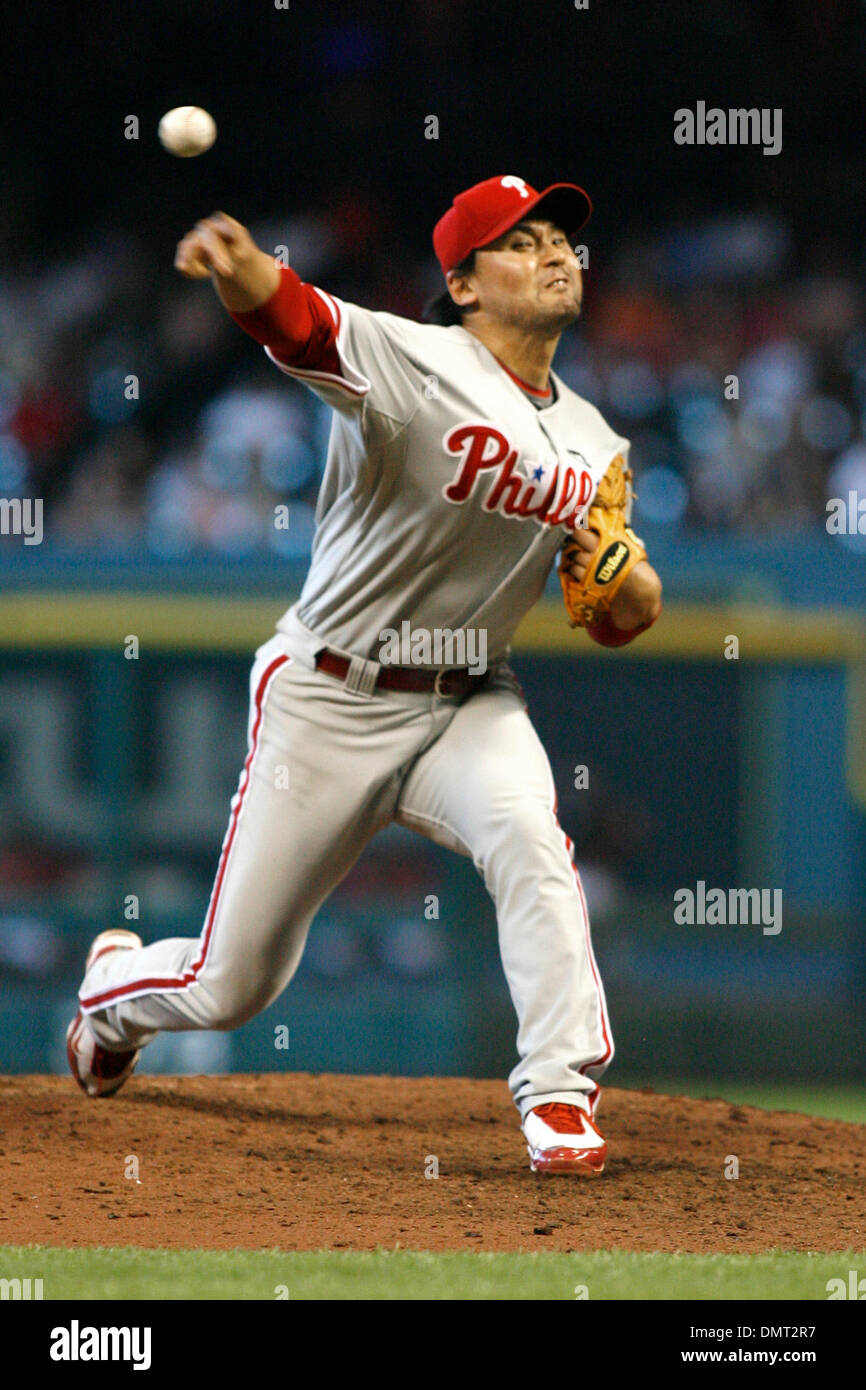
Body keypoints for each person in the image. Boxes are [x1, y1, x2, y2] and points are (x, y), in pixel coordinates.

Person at [67, 175, 662, 1176]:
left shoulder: (596, 441)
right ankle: (114, 990)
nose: (556, 254)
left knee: (532, 845)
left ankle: (558, 1095)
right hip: (330, 697)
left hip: (468, 700)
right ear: (464, 285)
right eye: (522, 244)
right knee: (231, 985)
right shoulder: (412, 357)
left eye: (561, 238)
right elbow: (295, 323)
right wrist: (238, 261)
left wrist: (621, 577)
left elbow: (621, 614)